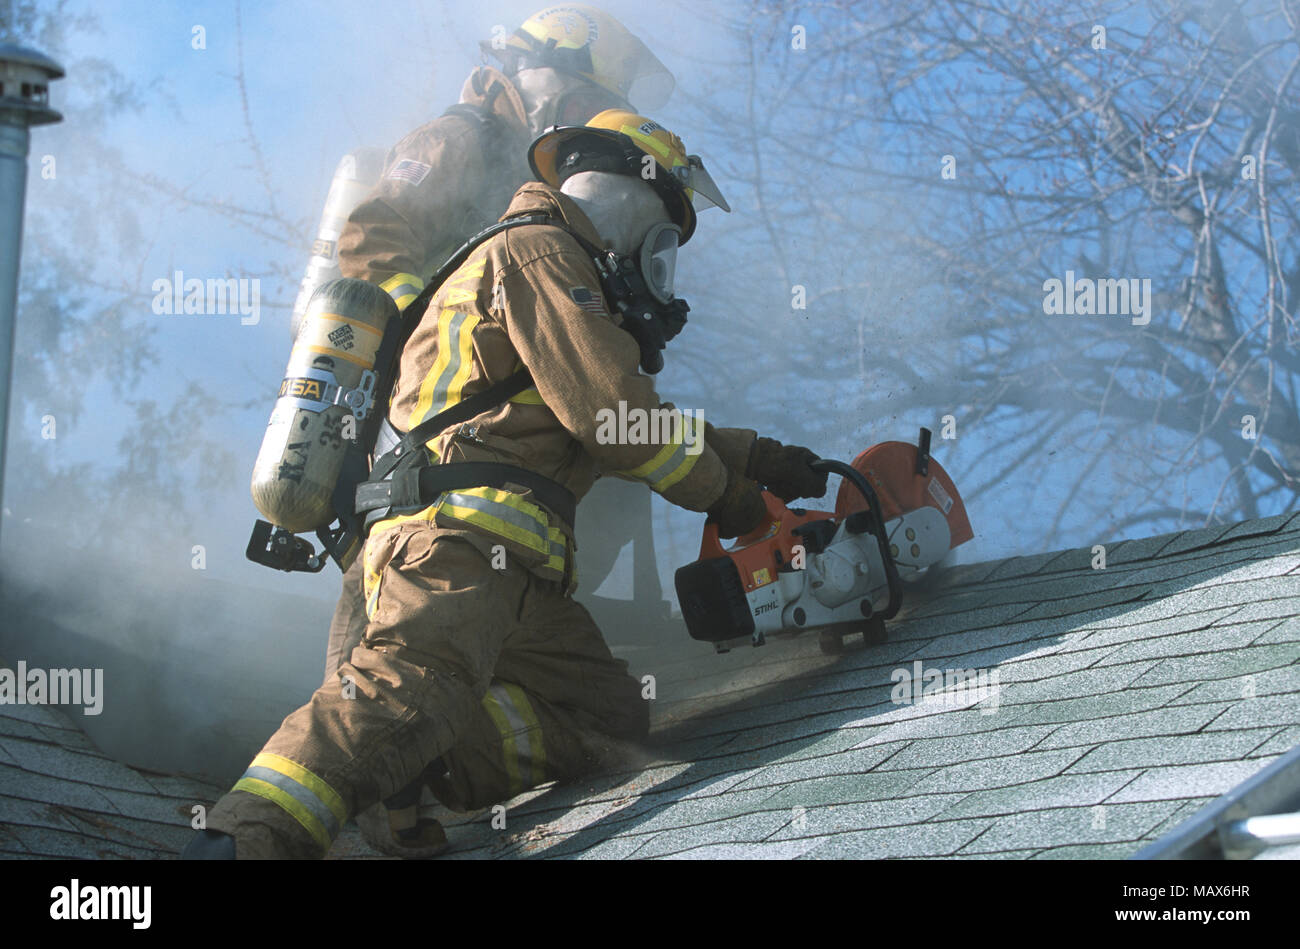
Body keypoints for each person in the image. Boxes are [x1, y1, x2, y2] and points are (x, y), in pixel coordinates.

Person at [186, 109, 827, 859]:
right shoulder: (539, 254)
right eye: (663, 235)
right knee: (405, 694)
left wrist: (765, 458)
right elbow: (617, 417)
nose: (660, 265)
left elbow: (624, 408)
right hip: (451, 546)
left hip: (517, 582)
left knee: (606, 716)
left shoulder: (555, 273)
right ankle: (239, 840)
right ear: (626, 200)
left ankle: (417, 766)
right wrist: (736, 499)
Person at [323, 4, 678, 852]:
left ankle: (418, 770)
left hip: (476, 437)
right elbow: (374, 235)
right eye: (586, 85)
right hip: (417, 423)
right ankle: (359, 785)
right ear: (530, 66)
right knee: (382, 643)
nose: (592, 108)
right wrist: (429, 331)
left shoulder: (545, 175)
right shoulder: (459, 137)